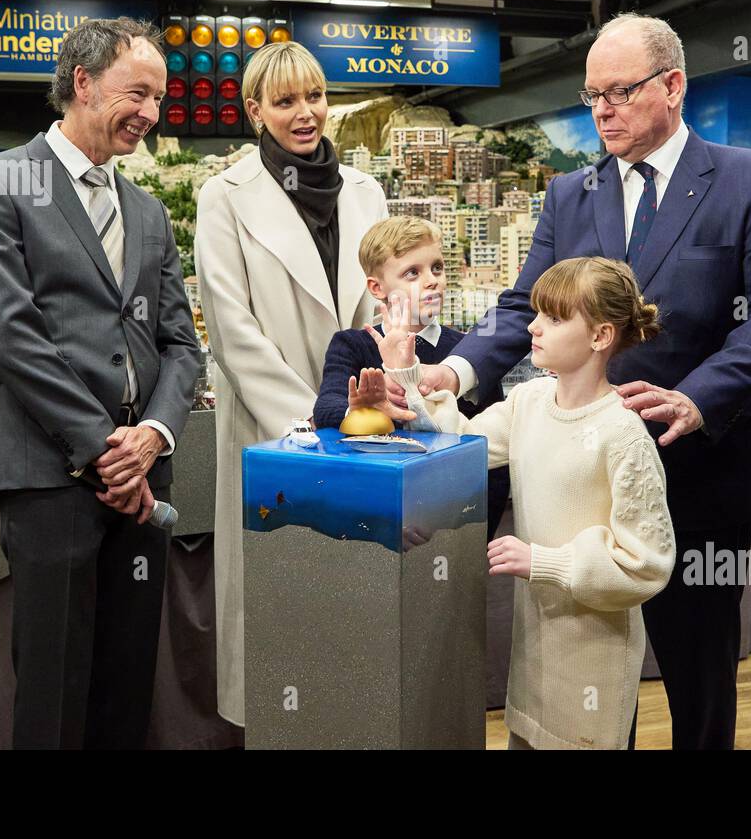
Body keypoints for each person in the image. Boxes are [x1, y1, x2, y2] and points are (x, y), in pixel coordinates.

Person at [392, 13, 751, 749]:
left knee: (700, 681)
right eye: (592, 95)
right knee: (590, 686)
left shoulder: (750, 181)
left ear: (673, 86)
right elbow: (524, 304)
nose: (602, 110)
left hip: (700, 477)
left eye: (619, 91)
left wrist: (697, 396)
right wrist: (452, 371)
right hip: (581, 492)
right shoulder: (568, 193)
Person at [0, 17, 200, 749]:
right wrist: (104, 451)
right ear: (82, 82)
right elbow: (11, 337)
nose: (151, 113)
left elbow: (182, 344)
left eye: (160, 98)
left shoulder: (148, 210)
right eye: (138, 93)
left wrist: (152, 436)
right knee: (54, 693)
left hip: (142, 480)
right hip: (51, 479)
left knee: (126, 690)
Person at [360, 256, 674, 749]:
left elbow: (646, 566)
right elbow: (457, 440)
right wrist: (402, 369)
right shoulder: (529, 402)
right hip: (535, 654)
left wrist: (542, 561)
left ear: (600, 337)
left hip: (593, 657)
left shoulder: (624, 436)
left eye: (553, 317)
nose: (533, 327)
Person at [195, 40, 389, 729]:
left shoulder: (367, 192)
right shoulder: (222, 198)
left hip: (361, 434)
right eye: (285, 102)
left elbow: (381, 307)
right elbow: (232, 331)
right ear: (255, 111)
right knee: (281, 619)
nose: (305, 114)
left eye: (315, 96)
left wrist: (365, 397)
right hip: (274, 437)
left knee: (349, 620)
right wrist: (312, 424)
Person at [312, 216, 511, 539]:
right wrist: (366, 411)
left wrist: (473, 530)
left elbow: (491, 453)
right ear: (377, 287)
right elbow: (326, 410)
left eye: (437, 268)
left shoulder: (468, 354)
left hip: (455, 524)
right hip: (373, 517)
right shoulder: (352, 345)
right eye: (412, 273)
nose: (432, 281)